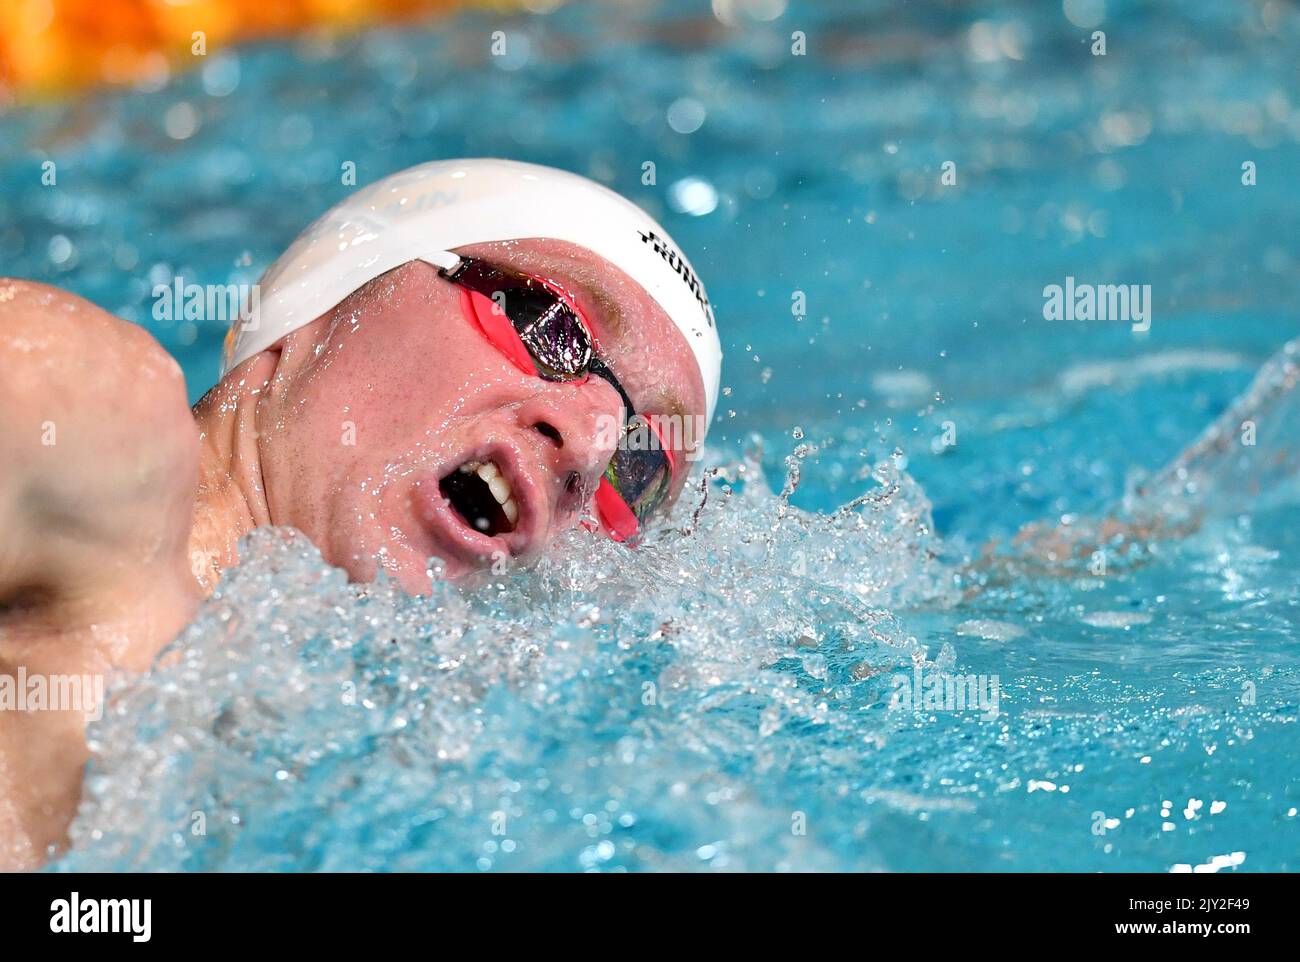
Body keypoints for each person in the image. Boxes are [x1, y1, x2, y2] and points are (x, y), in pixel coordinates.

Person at [0, 159, 723, 869]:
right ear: (318, 307)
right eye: (546, 323)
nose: (593, 446)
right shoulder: (97, 418)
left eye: (643, 464)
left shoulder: (412, 787)